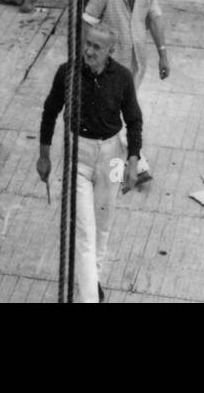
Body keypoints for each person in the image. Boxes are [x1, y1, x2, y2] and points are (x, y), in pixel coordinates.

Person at [36, 22, 142, 303]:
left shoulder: (122, 77)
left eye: (96, 47)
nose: (88, 51)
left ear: (110, 51)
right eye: (87, 44)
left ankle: (91, 280)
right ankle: (89, 299)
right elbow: (50, 111)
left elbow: (134, 120)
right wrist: (44, 155)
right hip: (78, 155)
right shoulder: (67, 73)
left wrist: (133, 163)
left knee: (103, 225)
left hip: (111, 155)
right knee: (84, 230)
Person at [84, 0, 168, 184]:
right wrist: (88, 59)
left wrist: (163, 53)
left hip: (135, 61)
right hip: (110, 63)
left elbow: (154, 18)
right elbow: (87, 24)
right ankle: (137, 163)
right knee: (123, 110)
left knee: (123, 109)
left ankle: (125, 159)